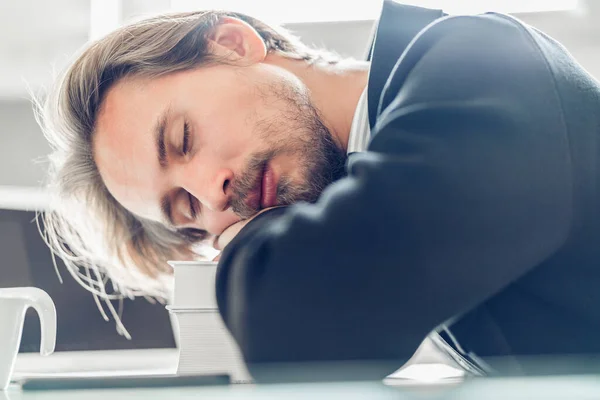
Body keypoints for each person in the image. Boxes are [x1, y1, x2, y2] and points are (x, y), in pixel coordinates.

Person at [39, 0, 600, 382]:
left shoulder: (476, 62)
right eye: (185, 209)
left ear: (234, 44)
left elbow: (295, 330)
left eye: (183, 138)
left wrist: (248, 244)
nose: (214, 194)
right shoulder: (377, 189)